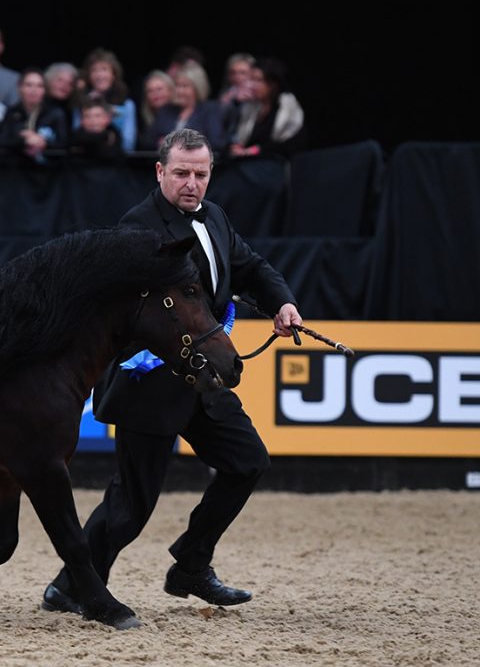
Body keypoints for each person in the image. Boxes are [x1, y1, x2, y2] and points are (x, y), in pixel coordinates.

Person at [40, 127, 302, 615]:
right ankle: (72, 585)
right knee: (130, 509)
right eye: (181, 173)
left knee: (248, 462)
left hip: (204, 378)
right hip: (150, 383)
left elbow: (251, 267)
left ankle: (191, 565)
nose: (192, 183)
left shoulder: (217, 218)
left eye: (201, 174)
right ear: (160, 172)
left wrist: (282, 303)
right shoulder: (137, 230)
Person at [231, 58, 307, 158]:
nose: (253, 85)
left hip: (276, 163)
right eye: (252, 80)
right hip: (248, 164)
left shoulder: (287, 105)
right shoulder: (251, 107)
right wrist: (235, 146)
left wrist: (255, 150)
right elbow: (238, 136)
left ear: (273, 84)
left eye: (258, 80)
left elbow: (288, 142)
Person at [146, 63, 226, 151]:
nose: (179, 91)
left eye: (185, 86)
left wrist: (181, 145)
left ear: (197, 88)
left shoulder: (210, 110)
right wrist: (158, 142)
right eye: (177, 85)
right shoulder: (166, 110)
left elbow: (216, 143)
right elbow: (148, 141)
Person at [0, 68, 66, 162]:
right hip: (17, 170)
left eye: (39, 86)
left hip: (48, 172)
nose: (34, 90)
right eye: (28, 85)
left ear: (44, 90)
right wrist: (23, 140)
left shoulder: (56, 113)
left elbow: (65, 144)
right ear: (19, 88)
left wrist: (44, 143)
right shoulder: (12, 112)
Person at [75, 48, 136, 153]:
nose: (99, 75)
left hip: (115, 158)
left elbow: (128, 145)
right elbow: (75, 134)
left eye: (104, 69)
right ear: (89, 76)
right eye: (94, 70)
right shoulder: (81, 101)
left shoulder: (126, 104)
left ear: (113, 74)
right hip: (85, 159)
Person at [138, 70, 175, 150]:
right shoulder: (143, 120)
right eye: (150, 91)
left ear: (171, 91)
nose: (155, 94)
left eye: (159, 89)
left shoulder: (181, 115)